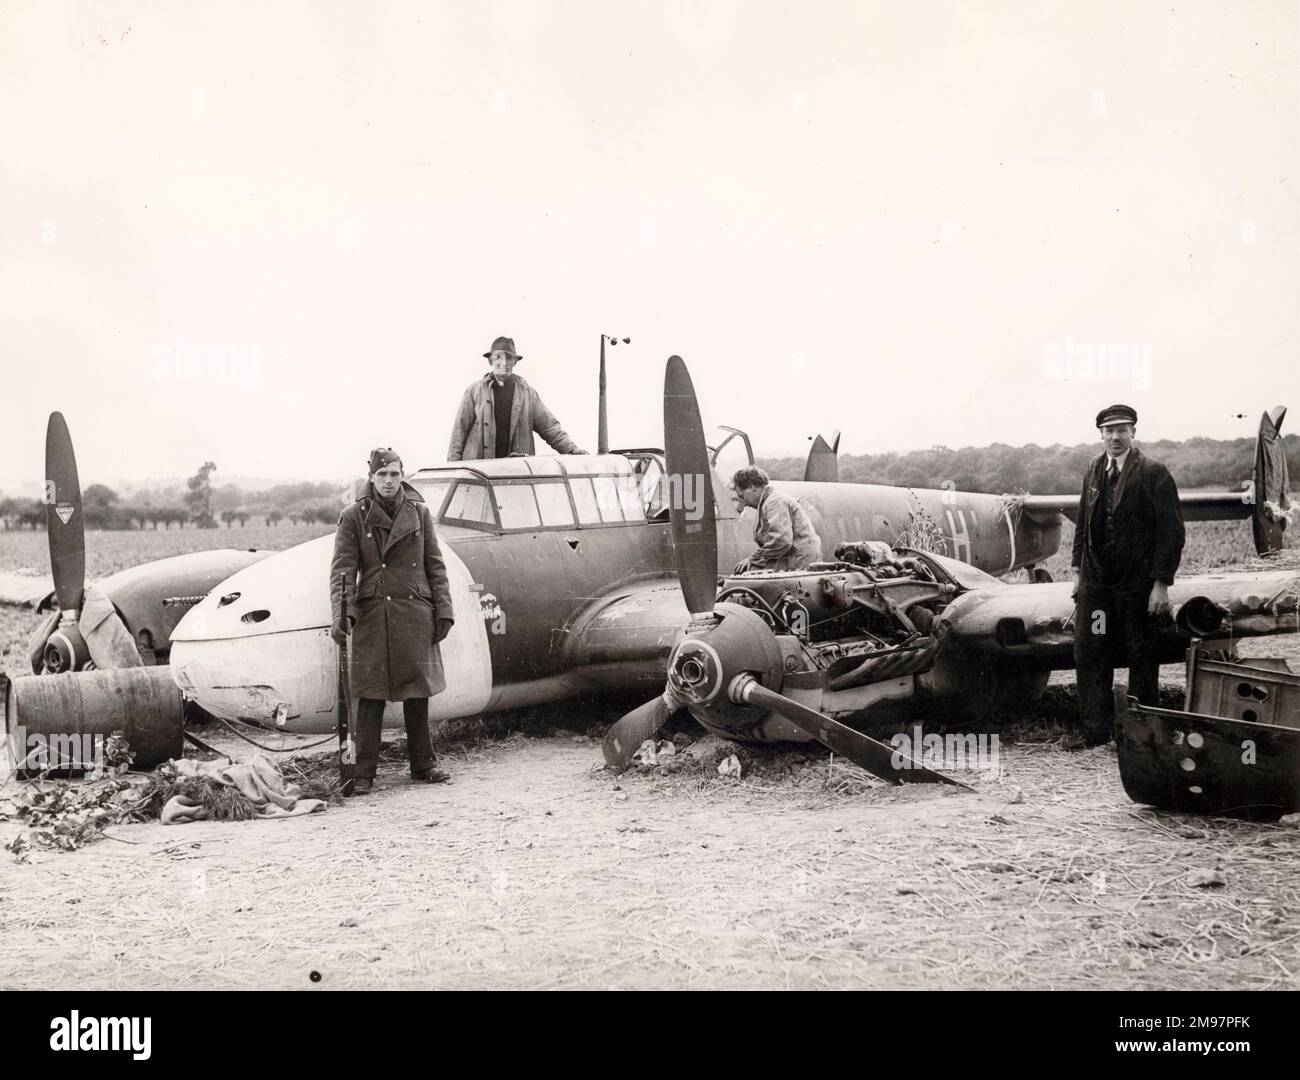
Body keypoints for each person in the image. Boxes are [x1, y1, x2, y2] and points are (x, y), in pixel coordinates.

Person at [330, 448, 456, 794]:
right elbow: (343, 570)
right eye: (382, 475)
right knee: (370, 694)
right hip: (373, 611)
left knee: (418, 690)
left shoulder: (419, 513)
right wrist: (342, 614)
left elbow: (435, 565)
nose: (388, 481)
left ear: (403, 476)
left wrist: (443, 609)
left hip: (414, 608)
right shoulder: (354, 516)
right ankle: (363, 773)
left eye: (395, 474)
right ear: (371, 477)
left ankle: (424, 764)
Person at [1070, 404, 1185, 747]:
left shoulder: (1154, 472)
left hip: (1136, 586)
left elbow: (1171, 531)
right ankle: (1095, 732)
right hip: (1097, 587)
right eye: (1109, 431)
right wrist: (1077, 571)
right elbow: (1082, 523)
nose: (1115, 437)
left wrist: (1161, 584)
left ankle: (1140, 736)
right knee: (1091, 651)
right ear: (1101, 435)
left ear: (1133, 433)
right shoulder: (1093, 469)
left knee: (1141, 653)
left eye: (1122, 430)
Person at [446, 336, 587, 460]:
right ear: (490, 361)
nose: (504, 362)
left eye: (509, 357)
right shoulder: (474, 391)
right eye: (499, 357)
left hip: (514, 476)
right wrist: (452, 470)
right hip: (479, 477)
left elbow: (550, 428)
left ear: (515, 362)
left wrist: (571, 450)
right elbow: (458, 434)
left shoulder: (528, 394)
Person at [731, 465, 823, 573]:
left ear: (752, 487)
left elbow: (781, 541)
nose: (744, 503)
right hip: (792, 560)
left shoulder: (775, 502)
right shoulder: (769, 501)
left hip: (799, 563)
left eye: (742, 496)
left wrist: (753, 559)